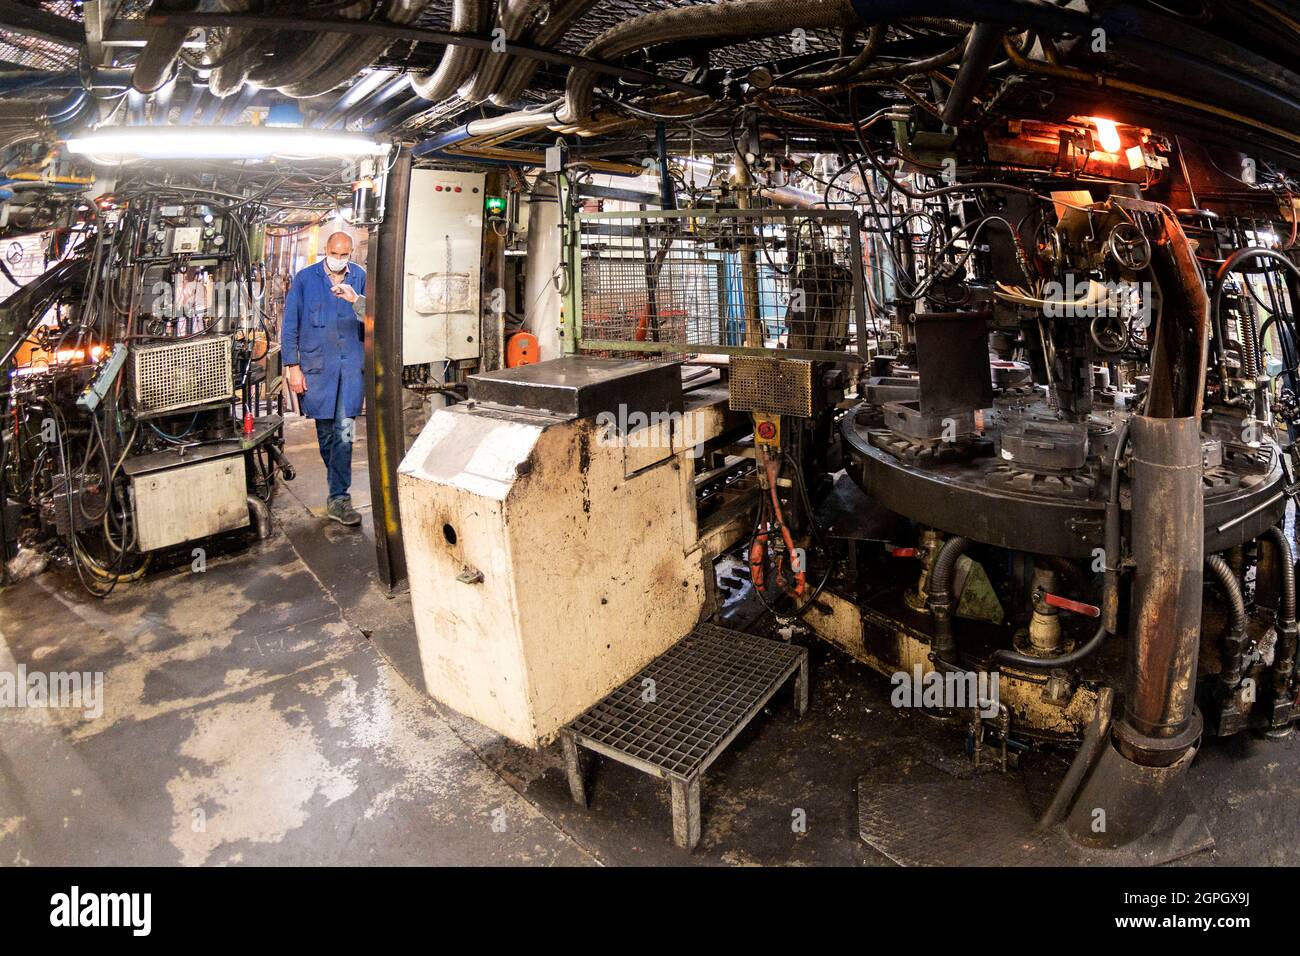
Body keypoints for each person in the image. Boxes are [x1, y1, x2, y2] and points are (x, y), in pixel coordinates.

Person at [281, 232, 367, 526]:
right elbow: (290, 324)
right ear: (325, 251)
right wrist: (292, 366)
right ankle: (337, 485)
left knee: (344, 433)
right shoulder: (306, 279)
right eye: (335, 253)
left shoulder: (360, 277)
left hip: (350, 368)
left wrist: (356, 299)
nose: (340, 259)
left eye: (345, 254)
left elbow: (375, 318)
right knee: (327, 435)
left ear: (351, 253)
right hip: (318, 368)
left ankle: (339, 498)